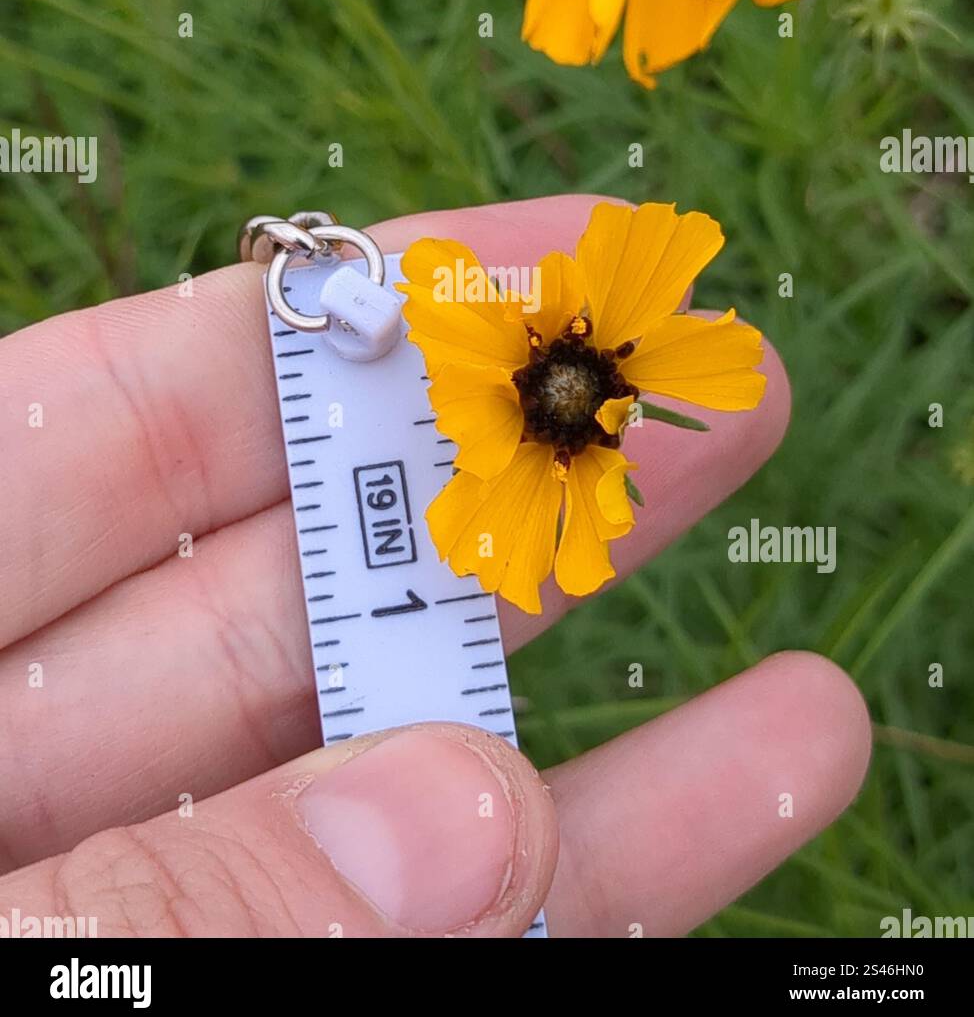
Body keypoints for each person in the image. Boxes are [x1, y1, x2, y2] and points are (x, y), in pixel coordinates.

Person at [0, 195, 870, 937]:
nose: (570, 395)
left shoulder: (582, 406)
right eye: (563, 384)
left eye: (589, 393)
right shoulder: (479, 366)